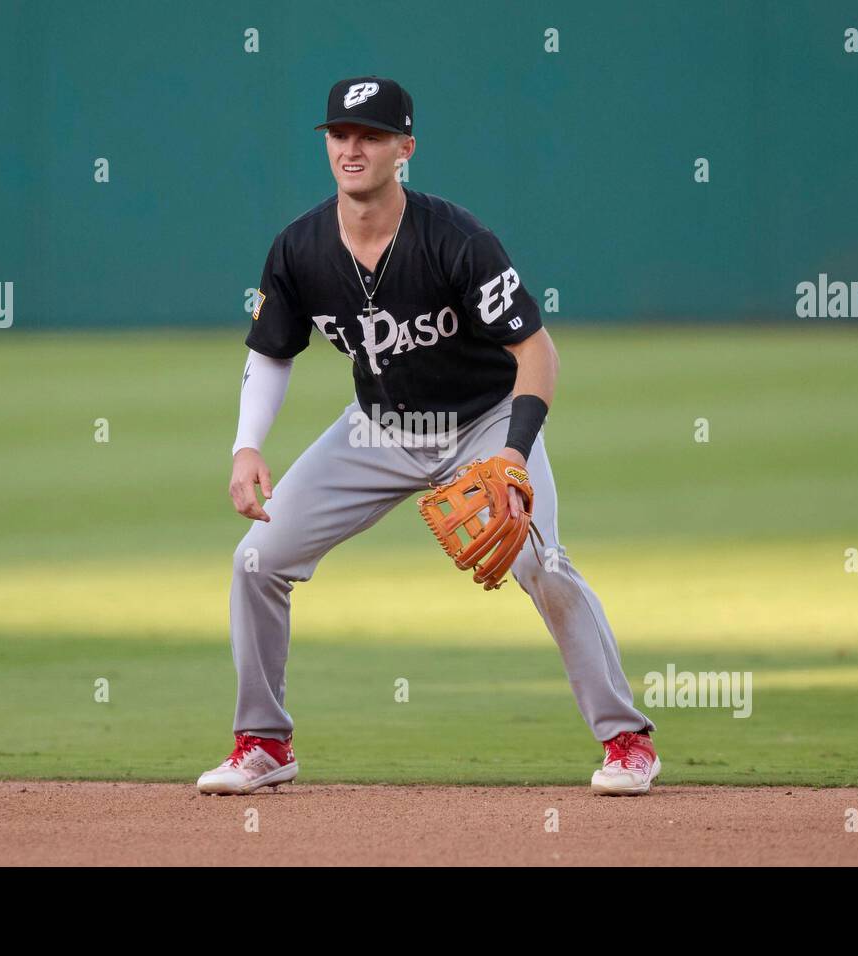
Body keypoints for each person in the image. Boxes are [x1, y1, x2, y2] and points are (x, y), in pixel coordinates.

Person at [197, 76, 658, 797]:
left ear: (403, 148)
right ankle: (263, 743)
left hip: (482, 424)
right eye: (340, 135)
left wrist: (513, 451)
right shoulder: (300, 248)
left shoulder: (457, 239)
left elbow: (537, 355)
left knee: (544, 565)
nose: (353, 149)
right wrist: (246, 446)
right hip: (376, 432)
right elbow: (271, 352)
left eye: (372, 136)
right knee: (257, 561)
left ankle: (627, 741)